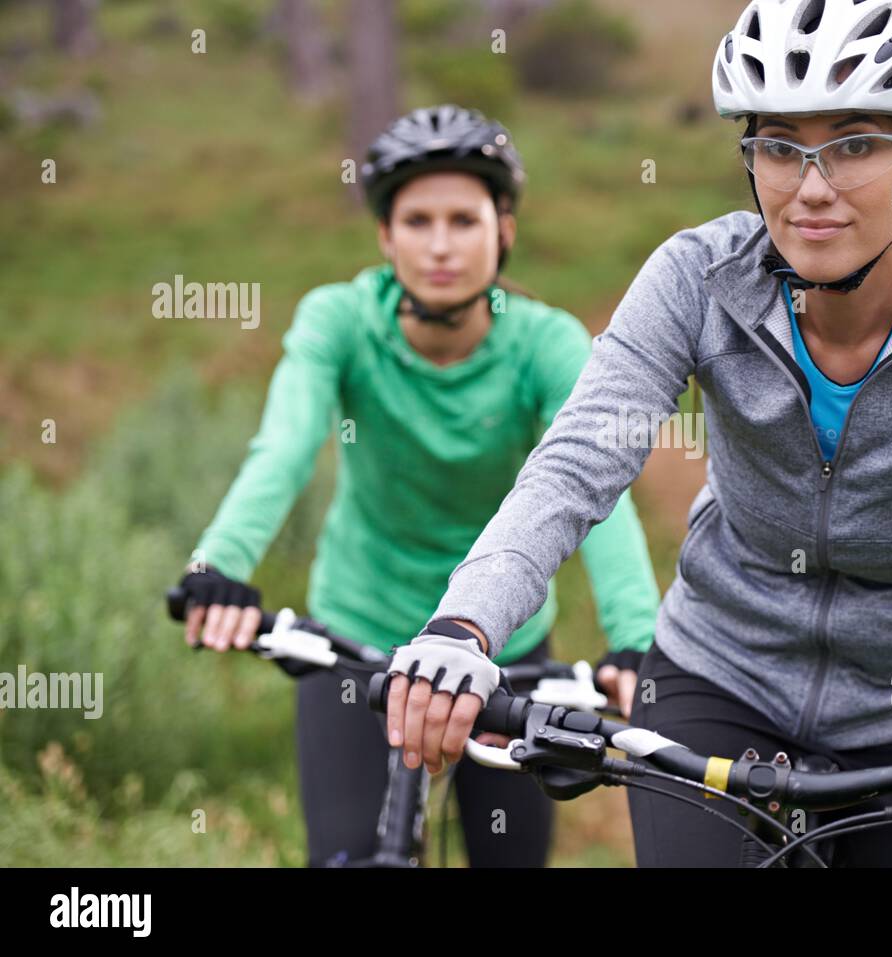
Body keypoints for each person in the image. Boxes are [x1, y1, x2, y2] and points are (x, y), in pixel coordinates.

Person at [384, 1, 892, 868]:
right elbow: (577, 463)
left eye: (852, 145)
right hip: (718, 681)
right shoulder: (697, 279)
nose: (811, 188)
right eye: (780, 146)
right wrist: (461, 628)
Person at [172, 105, 660, 867]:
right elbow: (284, 447)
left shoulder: (546, 343)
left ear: (504, 230)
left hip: (508, 652)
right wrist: (220, 565)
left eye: (463, 220)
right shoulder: (339, 321)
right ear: (384, 236)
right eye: (417, 220)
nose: (440, 246)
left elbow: (600, 491)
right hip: (357, 642)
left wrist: (637, 639)